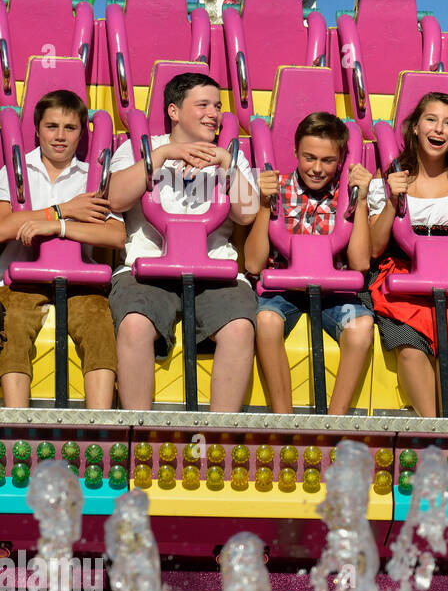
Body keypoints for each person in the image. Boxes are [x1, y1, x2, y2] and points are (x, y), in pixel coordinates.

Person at [106, 71, 258, 412]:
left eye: (217, 106)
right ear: (174, 111)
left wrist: (225, 165)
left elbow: (247, 214)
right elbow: (114, 199)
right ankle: (138, 435)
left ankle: (220, 442)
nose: (213, 114)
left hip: (215, 271)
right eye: (202, 105)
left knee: (239, 328)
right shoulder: (138, 148)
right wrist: (160, 157)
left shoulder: (230, 156)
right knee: (134, 324)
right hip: (145, 269)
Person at [365, 92, 448, 417]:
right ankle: (429, 432)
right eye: (431, 120)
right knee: (410, 347)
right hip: (405, 277)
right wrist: (394, 201)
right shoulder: (393, 179)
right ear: (414, 128)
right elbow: (373, 249)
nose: (439, 129)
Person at [243, 112, 376, 415]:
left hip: (333, 292)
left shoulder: (346, 196)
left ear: (341, 160)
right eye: (309, 157)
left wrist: (362, 200)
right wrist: (265, 204)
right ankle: (283, 417)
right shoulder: (277, 188)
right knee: (266, 322)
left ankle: (335, 419)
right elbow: (252, 262)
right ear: (295, 152)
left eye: (327, 160)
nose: (317, 169)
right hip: (283, 289)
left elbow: (359, 263)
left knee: (361, 326)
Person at [0, 90, 124, 408]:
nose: (59, 136)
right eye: (51, 126)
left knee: (99, 326)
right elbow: (2, 228)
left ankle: (100, 426)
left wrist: (59, 227)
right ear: (37, 129)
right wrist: (62, 209)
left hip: (79, 280)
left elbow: (115, 236)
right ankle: (19, 422)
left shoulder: (93, 177)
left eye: (69, 128)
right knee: (11, 325)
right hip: (20, 280)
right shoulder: (15, 173)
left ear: (82, 133)